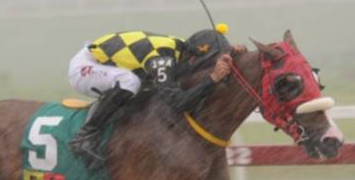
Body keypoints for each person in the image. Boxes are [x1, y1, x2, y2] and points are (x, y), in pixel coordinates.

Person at [67, 24, 234, 164]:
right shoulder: (162, 58)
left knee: (145, 89)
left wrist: (235, 54)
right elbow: (177, 103)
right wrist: (212, 79)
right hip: (85, 67)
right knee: (130, 82)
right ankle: (85, 136)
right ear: (194, 58)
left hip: (107, 64)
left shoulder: (187, 49)